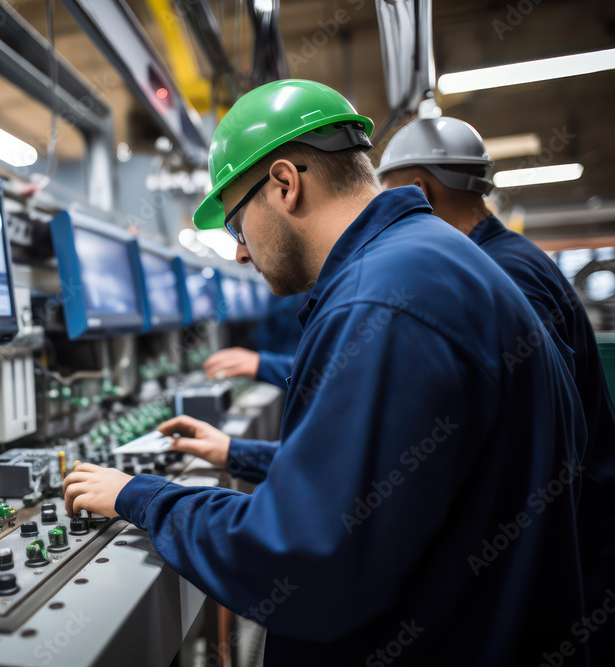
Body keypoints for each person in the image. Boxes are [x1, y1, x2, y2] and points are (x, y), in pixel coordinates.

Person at [63, 79, 593, 665]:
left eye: (238, 226)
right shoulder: (430, 259)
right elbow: (392, 477)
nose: (240, 252)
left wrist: (143, 496)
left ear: (285, 184)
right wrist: (239, 455)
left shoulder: (380, 301)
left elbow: (299, 562)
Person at [376, 116, 615, 662]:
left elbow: (517, 427)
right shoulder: (502, 259)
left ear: (418, 191)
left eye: (387, 201)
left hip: (572, 551)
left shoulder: (500, 273)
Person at [202, 292, 308, 386]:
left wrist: (261, 365)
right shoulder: (282, 293)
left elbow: (319, 371)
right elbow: (267, 333)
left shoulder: (317, 296)